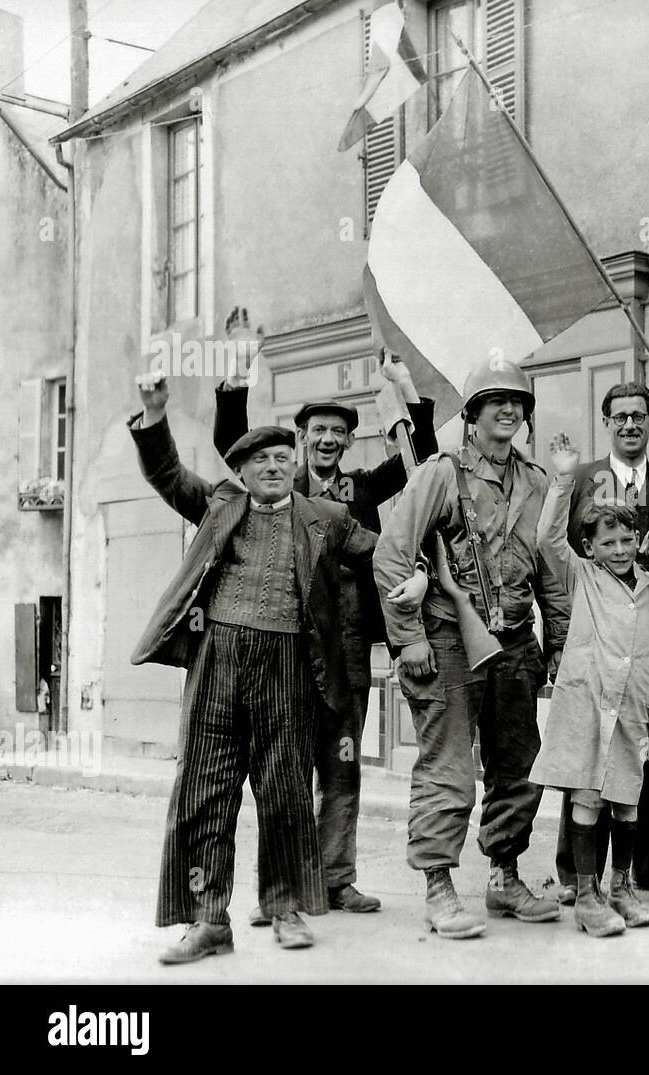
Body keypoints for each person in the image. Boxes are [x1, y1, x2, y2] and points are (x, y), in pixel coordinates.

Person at [128, 377, 388, 962]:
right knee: (203, 791)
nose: (271, 467)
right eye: (258, 459)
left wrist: (418, 571)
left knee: (286, 791)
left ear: (291, 464)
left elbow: (385, 549)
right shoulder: (220, 503)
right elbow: (168, 474)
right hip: (217, 662)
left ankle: (286, 907)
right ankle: (206, 917)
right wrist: (154, 411)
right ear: (240, 469)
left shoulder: (325, 516)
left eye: (280, 458)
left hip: (288, 667)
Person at [213, 341, 437, 922]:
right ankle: (286, 886)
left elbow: (424, 459)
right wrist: (234, 388)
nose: (329, 439)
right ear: (302, 437)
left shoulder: (364, 489)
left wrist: (405, 389)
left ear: (349, 439)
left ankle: (337, 880)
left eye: (339, 430)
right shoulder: (281, 485)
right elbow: (230, 451)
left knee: (341, 769)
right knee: (283, 772)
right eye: (319, 430)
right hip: (288, 653)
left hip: (349, 659)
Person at [373, 357, 569, 940]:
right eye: (494, 401)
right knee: (450, 770)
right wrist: (408, 640)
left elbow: (552, 571)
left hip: (513, 643)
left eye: (517, 402)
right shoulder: (441, 473)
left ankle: (505, 877)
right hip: (446, 640)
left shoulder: (536, 481)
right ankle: (438, 886)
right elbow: (391, 556)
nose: (507, 410)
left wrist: (556, 642)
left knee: (520, 767)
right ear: (473, 413)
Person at [552, 377, 649, 899]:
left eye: (640, 415)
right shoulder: (585, 478)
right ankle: (578, 875)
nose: (631, 424)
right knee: (589, 765)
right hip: (593, 632)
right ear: (607, 422)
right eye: (620, 416)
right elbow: (557, 556)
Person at [531, 436, 649, 935]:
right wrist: (564, 477)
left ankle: (622, 888)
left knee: (627, 798)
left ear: (637, 540)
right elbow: (549, 540)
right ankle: (588, 895)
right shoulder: (582, 577)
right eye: (607, 543)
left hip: (633, 705)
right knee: (589, 796)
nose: (618, 549)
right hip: (589, 702)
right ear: (590, 548)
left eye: (626, 540)